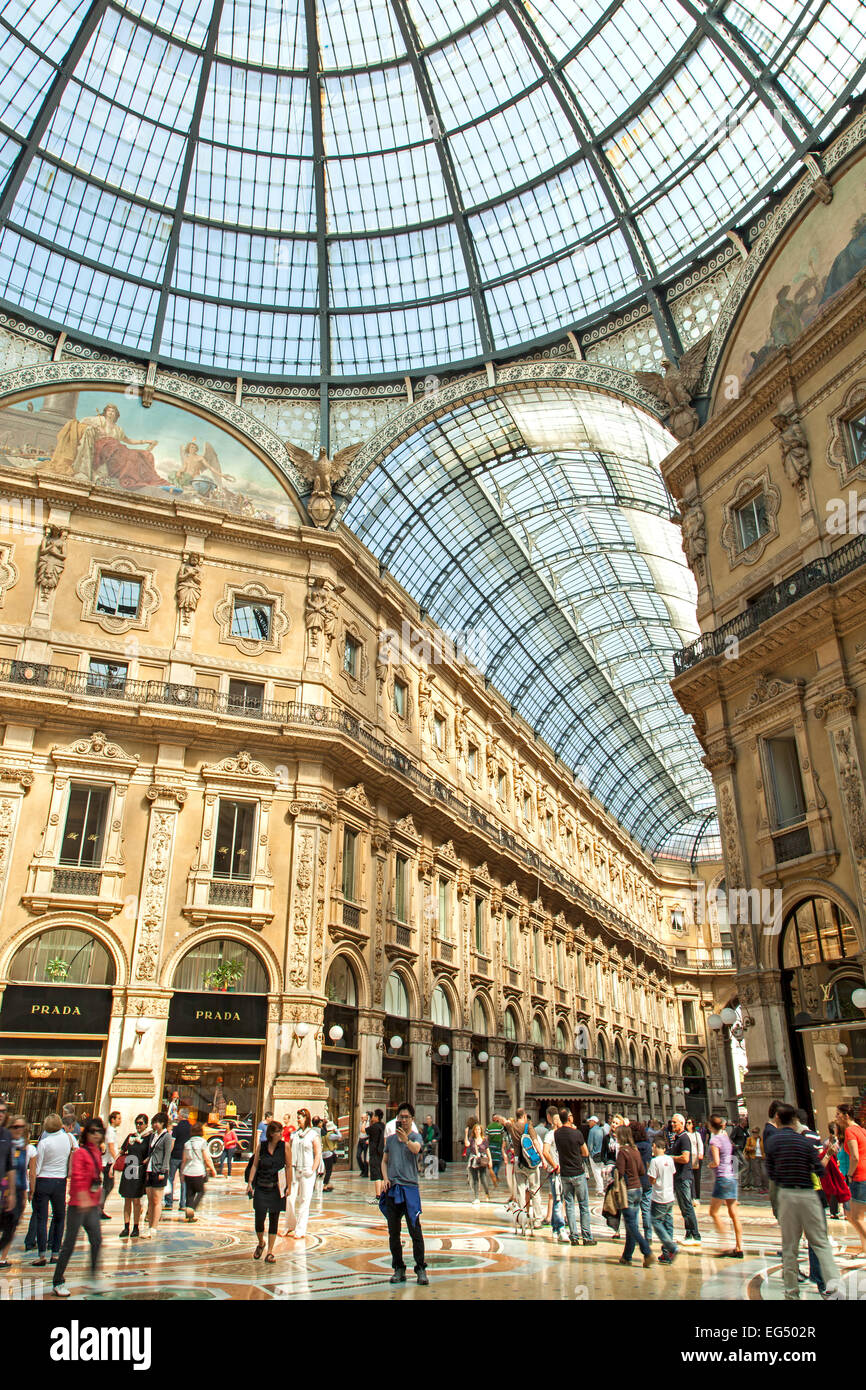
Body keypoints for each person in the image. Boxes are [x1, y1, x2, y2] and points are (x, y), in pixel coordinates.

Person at [764, 1103, 842, 1300]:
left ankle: (791, 1294)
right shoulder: (804, 1142)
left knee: (790, 1247)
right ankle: (834, 1289)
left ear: (779, 1120)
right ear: (794, 1120)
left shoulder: (773, 1142)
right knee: (821, 1243)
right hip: (808, 1195)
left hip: (787, 1195)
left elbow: (771, 1174)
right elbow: (819, 1169)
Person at [51, 1117, 106, 1298]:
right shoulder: (81, 1153)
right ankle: (58, 1281)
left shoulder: (97, 1152)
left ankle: (92, 1278)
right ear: (86, 1133)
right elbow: (77, 1177)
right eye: (92, 1131)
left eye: (99, 1131)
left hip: (91, 1205)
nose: (96, 1135)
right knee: (70, 1244)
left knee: (96, 1240)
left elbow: (95, 1177)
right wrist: (83, 1199)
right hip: (78, 1205)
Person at [380, 1102, 428, 1285]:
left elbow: (417, 1149)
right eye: (401, 1117)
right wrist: (385, 1178)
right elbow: (384, 1161)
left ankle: (421, 1268)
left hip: (410, 1189)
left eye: (407, 1117)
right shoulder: (391, 1140)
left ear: (412, 1119)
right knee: (394, 1232)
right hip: (393, 1190)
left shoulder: (416, 1137)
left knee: (415, 1230)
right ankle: (398, 1267)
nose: (403, 1120)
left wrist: (406, 1140)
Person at [31, 1112, 76, 1266]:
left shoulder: (44, 1142)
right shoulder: (68, 1139)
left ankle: (42, 1255)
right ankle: (55, 1253)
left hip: (43, 1181)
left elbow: (38, 1167)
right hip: (60, 1182)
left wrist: (31, 1186)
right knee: (59, 1217)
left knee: (41, 1218)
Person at [247, 1119, 292, 1261]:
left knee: (274, 1219)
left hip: (276, 1188)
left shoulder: (285, 1147)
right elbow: (254, 1165)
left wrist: (289, 1185)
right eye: (278, 1132)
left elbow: (289, 1167)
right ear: (272, 1133)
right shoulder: (262, 1146)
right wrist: (249, 1182)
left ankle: (270, 1252)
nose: (281, 1134)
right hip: (261, 1186)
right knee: (259, 1219)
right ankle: (261, 1242)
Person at [554, 1108, 595, 1247]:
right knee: (583, 1205)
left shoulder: (557, 1134)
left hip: (565, 1174)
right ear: (570, 1118)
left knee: (570, 1206)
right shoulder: (577, 1133)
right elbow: (585, 1152)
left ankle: (574, 1236)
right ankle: (587, 1237)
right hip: (578, 1172)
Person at [615, 1124, 654, 1267]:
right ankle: (627, 1256)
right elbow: (642, 1170)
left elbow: (620, 1172)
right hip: (638, 1189)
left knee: (631, 1226)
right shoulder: (635, 1150)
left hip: (629, 1191)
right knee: (632, 1224)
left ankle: (647, 1251)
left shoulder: (623, 1152)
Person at [707, 1111, 743, 1257]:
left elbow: (716, 1162)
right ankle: (739, 1247)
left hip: (722, 1178)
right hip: (731, 1177)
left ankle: (725, 1244)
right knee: (734, 1214)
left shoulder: (714, 1141)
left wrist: (710, 1165)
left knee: (713, 1212)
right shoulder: (726, 1138)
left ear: (710, 1126)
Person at [0, 1116, 33, 1266]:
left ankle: (2, 1258)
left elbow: (27, 1173)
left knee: (11, 1228)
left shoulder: (27, 1148)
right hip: (3, 1190)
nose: (19, 1130)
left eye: (22, 1127)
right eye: (15, 1127)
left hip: (18, 1191)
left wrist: (26, 1192)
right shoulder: (4, 1144)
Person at [505, 1109, 546, 1227]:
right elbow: (536, 1143)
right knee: (534, 1190)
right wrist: (542, 1158)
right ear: (524, 1116)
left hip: (518, 1162)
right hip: (530, 1162)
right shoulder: (528, 1126)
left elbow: (503, 1121)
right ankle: (538, 1219)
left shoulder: (512, 1126)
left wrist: (498, 1117)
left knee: (521, 1190)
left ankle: (522, 1218)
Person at [835, 1102, 866, 1255]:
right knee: (856, 1216)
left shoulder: (850, 1131)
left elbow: (854, 1156)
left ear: (846, 1115)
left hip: (859, 1176)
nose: (836, 1118)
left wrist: (850, 1174)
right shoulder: (862, 1130)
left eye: (838, 1114)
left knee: (856, 1217)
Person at [669, 1113, 701, 1245]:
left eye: (675, 1122)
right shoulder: (677, 1138)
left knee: (687, 1206)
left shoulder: (684, 1138)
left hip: (684, 1177)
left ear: (681, 1124)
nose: (672, 1125)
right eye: (671, 1122)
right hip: (679, 1176)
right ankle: (688, 1234)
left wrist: (671, 1158)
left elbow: (685, 1158)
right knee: (683, 1207)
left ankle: (695, 1235)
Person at [289, 1109, 321, 1239]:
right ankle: (289, 1225)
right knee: (290, 1198)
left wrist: (313, 1169)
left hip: (307, 1170)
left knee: (304, 1200)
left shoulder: (313, 1134)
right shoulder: (295, 1135)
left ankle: (300, 1229)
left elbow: (318, 1153)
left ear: (306, 1118)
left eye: (301, 1117)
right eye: (297, 1117)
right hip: (295, 1168)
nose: (298, 1119)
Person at [648, 1132, 678, 1264]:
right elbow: (672, 1173)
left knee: (656, 1222)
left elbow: (652, 1180)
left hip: (659, 1197)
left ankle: (671, 1247)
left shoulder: (654, 1161)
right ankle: (667, 1254)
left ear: (654, 1146)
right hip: (670, 1196)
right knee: (668, 1223)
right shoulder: (670, 1159)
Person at [117, 1114, 149, 1239]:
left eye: (141, 1123)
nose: (138, 1125)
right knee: (127, 1199)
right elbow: (122, 1151)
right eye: (137, 1123)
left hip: (139, 1171)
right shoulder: (131, 1137)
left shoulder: (148, 1138)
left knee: (136, 1200)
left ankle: (136, 1227)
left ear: (146, 1124)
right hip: (128, 1170)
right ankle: (126, 1227)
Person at [180, 1122, 216, 1222]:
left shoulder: (187, 1143)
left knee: (189, 1193)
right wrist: (213, 1169)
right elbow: (207, 1158)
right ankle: (192, 1209)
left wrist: (182, 1173)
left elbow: (184, 1160)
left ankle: (189, 1214)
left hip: (187, 1171)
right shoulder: (202, 1142)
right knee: (201, 1191)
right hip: (198, 1171)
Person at [143, 1112, 170, 1238]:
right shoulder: (153, 1136)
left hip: (159, 1170)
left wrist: (163, 1171)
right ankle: (149, 1226)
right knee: (150, 1199)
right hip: (150, 1169)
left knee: (156, 1200)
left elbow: (167, 1155)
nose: (155, 1124)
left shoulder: (167, 1137)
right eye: (154, 1122)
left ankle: (154, 1227)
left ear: (163, 1123)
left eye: (157, 1122)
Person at [165, 1107, 192, 1211]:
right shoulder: (191, 1127)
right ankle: (183, 1203)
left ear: (180, 1116)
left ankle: (169, 1202)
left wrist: (168, 1155)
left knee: (171, 1178)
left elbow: (172, 1142)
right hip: (186, 1156)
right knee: (183, 1180)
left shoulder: (176, 1128)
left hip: (175, 1156)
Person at [466, 1123, 493, 1204]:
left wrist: (490, 1160)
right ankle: (476, 1197)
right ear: (474, 1131)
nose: (477, 1131)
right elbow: (467, 1144)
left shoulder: (484, 1139)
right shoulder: (471, 1139)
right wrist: (466, 1134)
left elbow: (487, 1150)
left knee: (483, 1179)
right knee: (475, 1179)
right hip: (473, 1160)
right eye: (476, 1129)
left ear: (481, 1130)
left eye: (479, 1129)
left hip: (482, 1161)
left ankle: (487, 1192)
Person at [100, 1110, 120, 1218]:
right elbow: (111, 1147)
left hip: (109, 1161)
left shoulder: (112, 1131)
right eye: (118, 1118)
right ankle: (99, 1207)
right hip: (107, 1162)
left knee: (108, 1185)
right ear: (113, 1119)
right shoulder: (111, 1131)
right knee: (108, 1185)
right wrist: (117, 1159)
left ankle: (100, 1207)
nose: (120, 1121)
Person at [367, 1108, 385, 1203]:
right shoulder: (383, 1126)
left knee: (377, 1176)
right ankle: (382, 1195)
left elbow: (363, 1131)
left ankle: (378, 1196)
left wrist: (364, 1121)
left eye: (373, 1115)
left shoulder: (374, 1127)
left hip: (375, 1153)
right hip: (382, 1152)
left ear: (377, 1117)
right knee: (381, 1175)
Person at [685, 1116, 705, 1204]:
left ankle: (697, 1197)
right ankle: (691, 1196)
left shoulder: (697, 1134)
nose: (687, 1125)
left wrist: (701, 1153)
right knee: (689, 1178)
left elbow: (700, 1145)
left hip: (696, 1157)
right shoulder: (684, 1135)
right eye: (687, 1123)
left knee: (696, 1178)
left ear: (693, 1124)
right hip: (688, 1157)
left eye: (689, 1123)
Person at [585, 1116, 607, 1197]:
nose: (589, 1123)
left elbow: (590, 1144)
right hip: (602, 1154)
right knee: (602, 1172)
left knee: (597, 1173)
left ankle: (600, 1189)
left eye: (590, 1121)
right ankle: (603, 1187)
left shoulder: (592, 1131)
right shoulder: (602, 1130)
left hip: (594, 1154)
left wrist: (590, 1154)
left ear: (594, 1122)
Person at [321, 1117, 340, 1191]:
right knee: (329, 1170)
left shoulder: (324, 1135)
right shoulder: (331, 1135)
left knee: (326, 1169)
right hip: (329, 1154)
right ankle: (325, 1185)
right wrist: (337, 1130)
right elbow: (340, 1136)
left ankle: (327, 1184)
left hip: (323, 1153)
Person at [486, 1114, 505, 1178]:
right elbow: (503, 1136)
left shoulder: (488, 1127)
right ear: (497, 1119)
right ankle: (495, 1172)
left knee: (493, 1159)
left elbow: (487, 1137)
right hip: (498, 1145)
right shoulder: (500, 1127)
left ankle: (494, 1172)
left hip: (491, 1145)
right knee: (498, 1161)